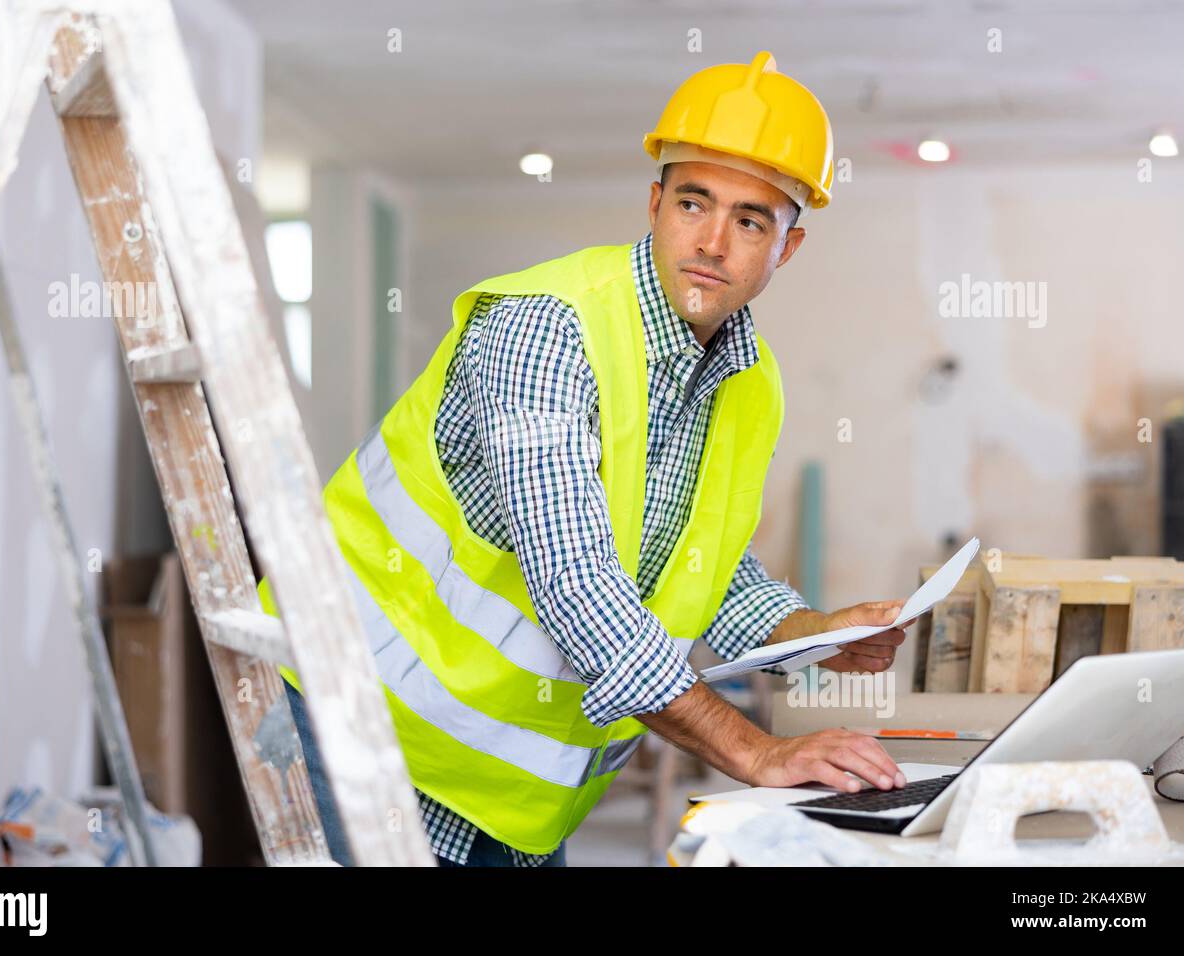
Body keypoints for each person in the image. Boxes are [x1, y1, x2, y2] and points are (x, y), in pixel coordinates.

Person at [263, 51, 909, 868]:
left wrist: (810, 633)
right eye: (693, 202)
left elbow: (691, 561)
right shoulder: (547, 329)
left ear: (789, 246)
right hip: (361, 722)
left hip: (511, 783)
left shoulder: (751, 381)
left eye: (751, 220)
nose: (712, 241)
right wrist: (754, 752)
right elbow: (577, 583)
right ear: (654, 201)